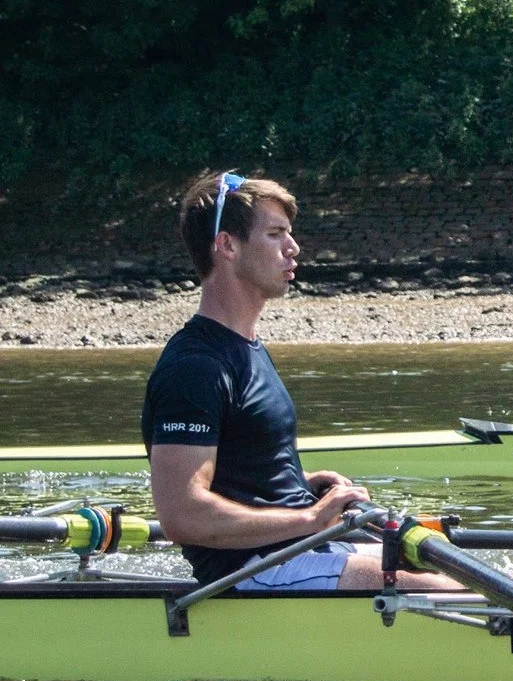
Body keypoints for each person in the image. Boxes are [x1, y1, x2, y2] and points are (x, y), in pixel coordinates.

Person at [143, 170, 458, 592]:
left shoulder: (242, 347)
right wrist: (312, 517)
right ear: (227, 245)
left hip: (298, 554)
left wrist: (300, 486)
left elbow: (236, 471)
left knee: (500, 581)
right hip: (251, 571)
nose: (294, 248)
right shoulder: (196, 366)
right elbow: (182, 514)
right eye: (275, 234)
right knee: (457, 594)